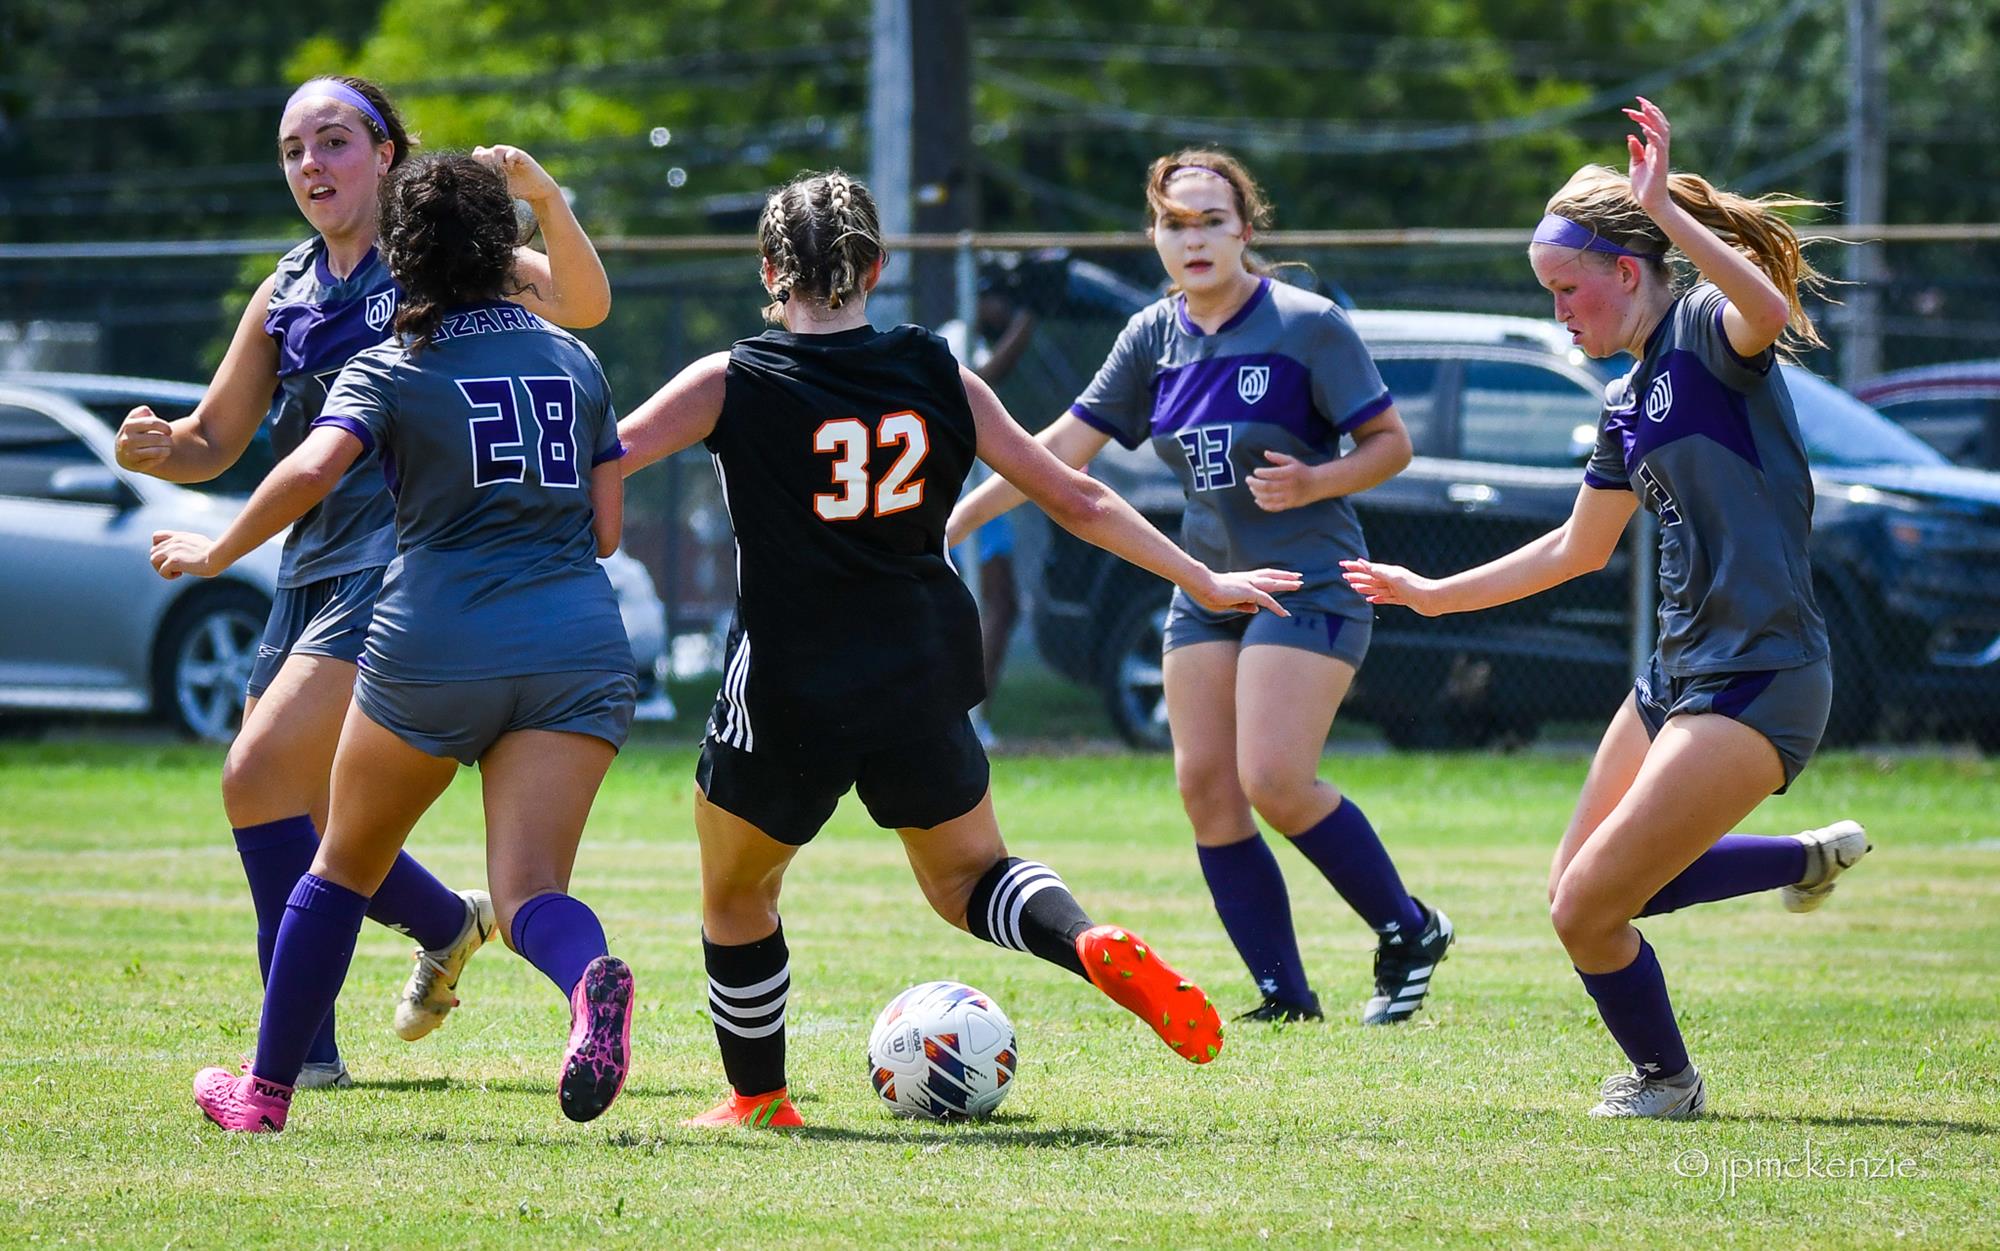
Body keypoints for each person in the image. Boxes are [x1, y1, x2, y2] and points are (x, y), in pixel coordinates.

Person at [616, 170, 1301, 1129]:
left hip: (789, 678)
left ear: (770, 270)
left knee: (738, 896)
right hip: (920, 663)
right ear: (879, 268)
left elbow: (598, 457)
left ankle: (760, 1099)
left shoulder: (730, 380)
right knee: (970, 876)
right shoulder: (938, 370)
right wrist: (1203, 579)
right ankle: (1089, 936)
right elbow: (1079, 495)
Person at [1343, 98, 1871, 1118]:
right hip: (1671, 679)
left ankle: (1666, 1083)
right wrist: (1432, 597)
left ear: (1626, 272)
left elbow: (1764, 307)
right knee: (1578, 899)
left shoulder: (1704, 336)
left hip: (1760, 675)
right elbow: (1575, 549)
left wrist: (1661, 212)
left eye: (1564, 290)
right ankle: (1800, 858)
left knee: (1593, 904)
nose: (1558, 313)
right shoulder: (1624, 400)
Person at [112, 76, 613, 1087]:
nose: (311, 165)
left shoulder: (440, 255)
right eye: (294, 147)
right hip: (309, 567)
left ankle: (297, 1058)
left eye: (333, 141)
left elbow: (583, 303)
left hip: (394, 569)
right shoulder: (287, 285)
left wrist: (549, 204)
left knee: (258, 778)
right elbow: (219, 439)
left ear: (384, 153)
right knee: (287, 808)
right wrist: (162, 448)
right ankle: (441, 928)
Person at [950, 150, 1452, 1026]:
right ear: (1155, 235)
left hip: (1311, 581)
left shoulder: (1308, 324)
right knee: (1207, 786)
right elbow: (1053, 452)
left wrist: (1316, 481)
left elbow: (1391, 445)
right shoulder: (1152, 335)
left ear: (1245, 231)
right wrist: (947, 524)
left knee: (1274, 778)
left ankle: (1409, 928)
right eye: (1175, 223)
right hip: (1208, 585)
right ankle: (1285, 995)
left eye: (1212, 220)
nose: (1194, 238)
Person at [938, 259, 1047, 740]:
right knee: (982, 604)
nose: (1004, 311)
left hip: (982, 491)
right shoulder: (956, 335)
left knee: (1001, 605)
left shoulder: (978, 335)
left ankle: (971, 715)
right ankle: (959, 717)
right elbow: (981, 379)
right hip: (958, 492)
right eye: (1000, 300)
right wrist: (1027, 323)